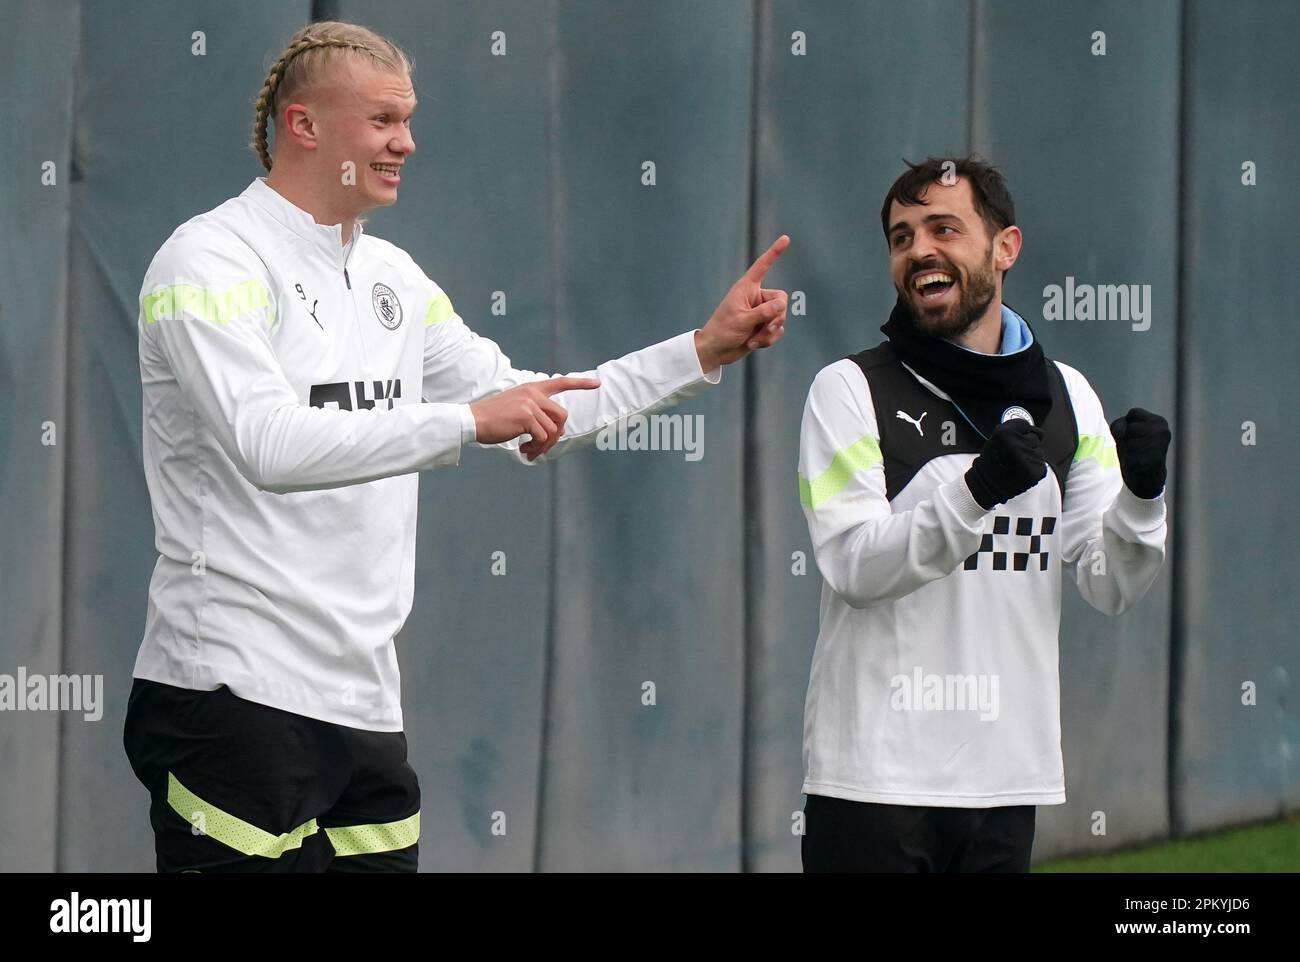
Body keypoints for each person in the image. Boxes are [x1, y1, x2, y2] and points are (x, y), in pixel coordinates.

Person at [123, 20, 789, 872]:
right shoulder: (207, 261)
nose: (407, 141)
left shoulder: (394, 279)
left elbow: (540, 410)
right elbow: (270, 445)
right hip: (228, 696)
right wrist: (468, 422)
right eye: (384, 120)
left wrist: (699, 351)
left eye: (409, 119)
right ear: (305, 126)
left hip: (363, 711)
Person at [796, 156, 1170, 872]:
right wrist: (976, 490)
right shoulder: (847, 390)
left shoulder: (1070, 398)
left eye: (944, 228)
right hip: (874, 784)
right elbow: (853, 566)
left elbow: (1111, 584)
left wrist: (1142, 500)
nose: (920, 251)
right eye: (902, 238)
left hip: (1005, 782)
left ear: (1006, 248)